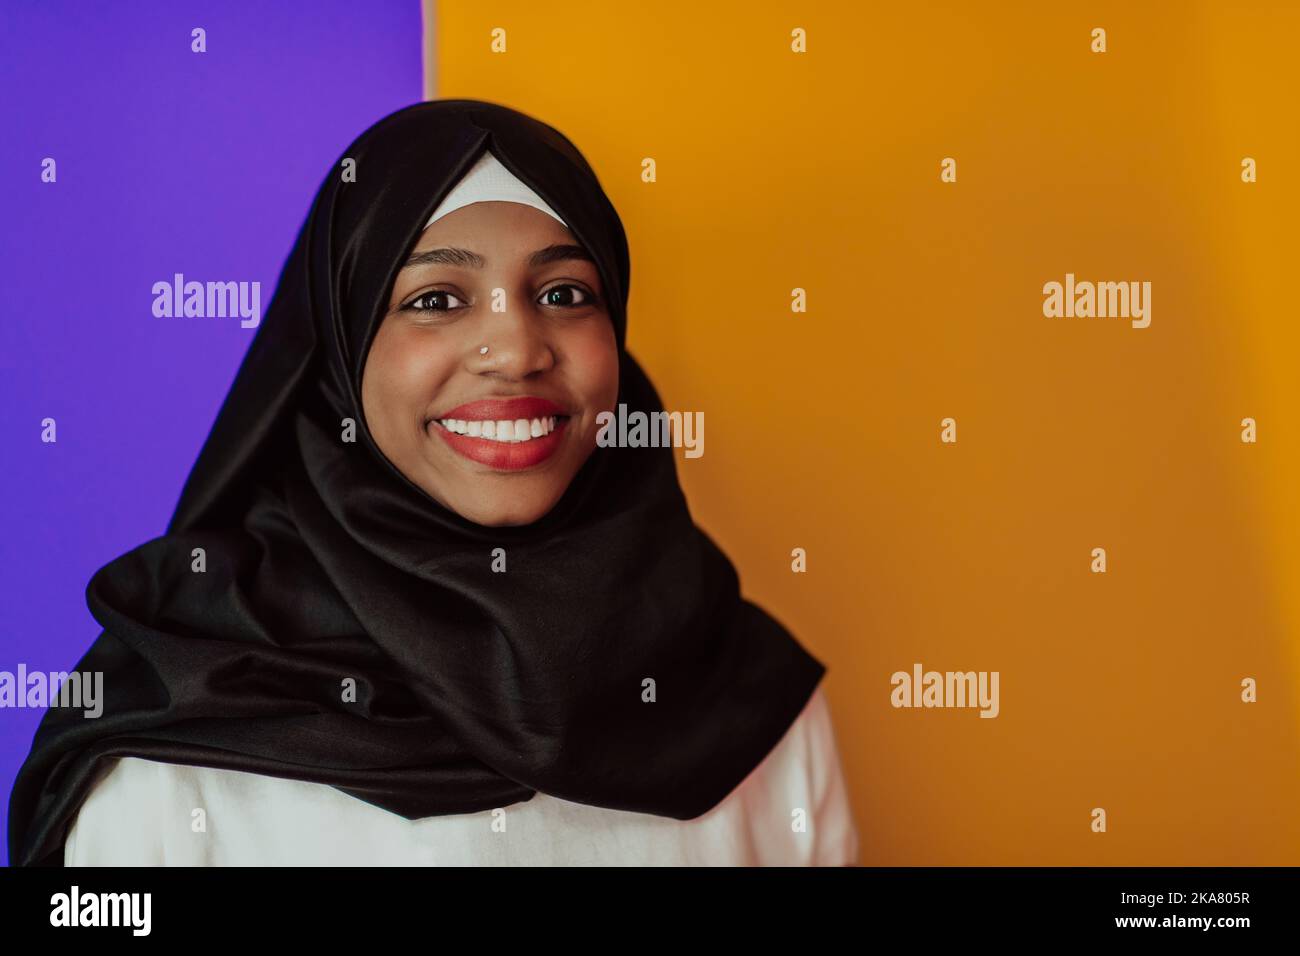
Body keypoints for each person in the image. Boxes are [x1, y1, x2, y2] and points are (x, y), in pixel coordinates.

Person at [8, 99, 859, 866]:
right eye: (436, 299)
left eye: (565, 291)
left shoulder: (746, 702)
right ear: (339, 349)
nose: (518, 349)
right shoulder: (184, 723)